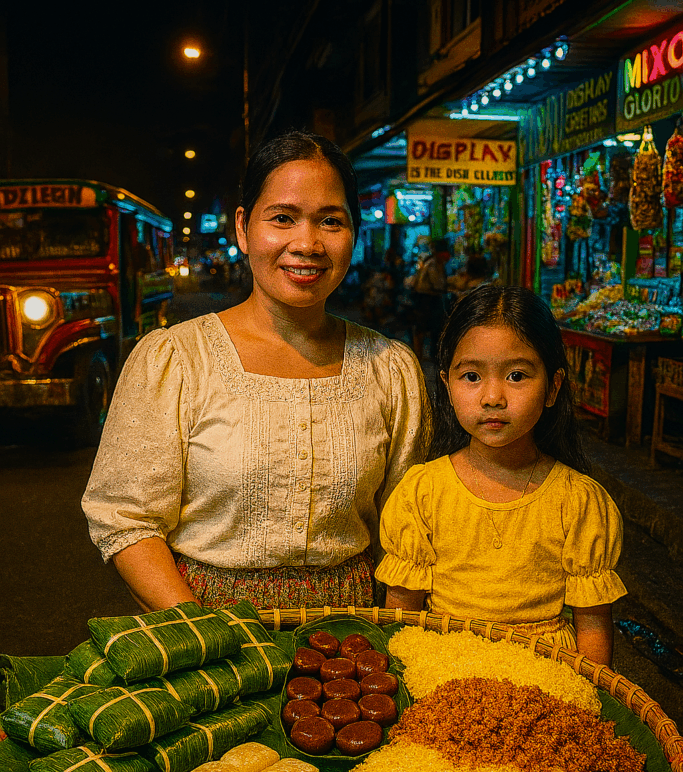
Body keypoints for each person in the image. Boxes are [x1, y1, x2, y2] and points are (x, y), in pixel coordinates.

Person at [82, 131, 431, 612]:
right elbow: (126, 519)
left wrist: (391, 643)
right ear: (244, 228)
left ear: (353, 232)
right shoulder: (177, 360)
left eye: (331, 221)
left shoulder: (390, 370)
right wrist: (202, 634)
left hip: (353, 639)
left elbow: (408, 531)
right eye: (283, 219)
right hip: (203, 628)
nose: (306, 244)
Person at [376, 284, 626, 666]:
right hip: (443, 673)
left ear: (552, 387)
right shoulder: (422, 492)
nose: (493, 397)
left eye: (517, 376)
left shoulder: (579, 500)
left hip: (545, 677)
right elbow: (402, 620)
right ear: (446, 384)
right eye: (472, 377)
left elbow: (592, 630)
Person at [411, 238, 449, 360]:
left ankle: (420, 356)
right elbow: (437, 284)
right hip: (426, 299)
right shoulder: (433, 264)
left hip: (426, 298)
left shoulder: (431, 261)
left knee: (424, 328)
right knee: (423, 328)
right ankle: (419, 357)